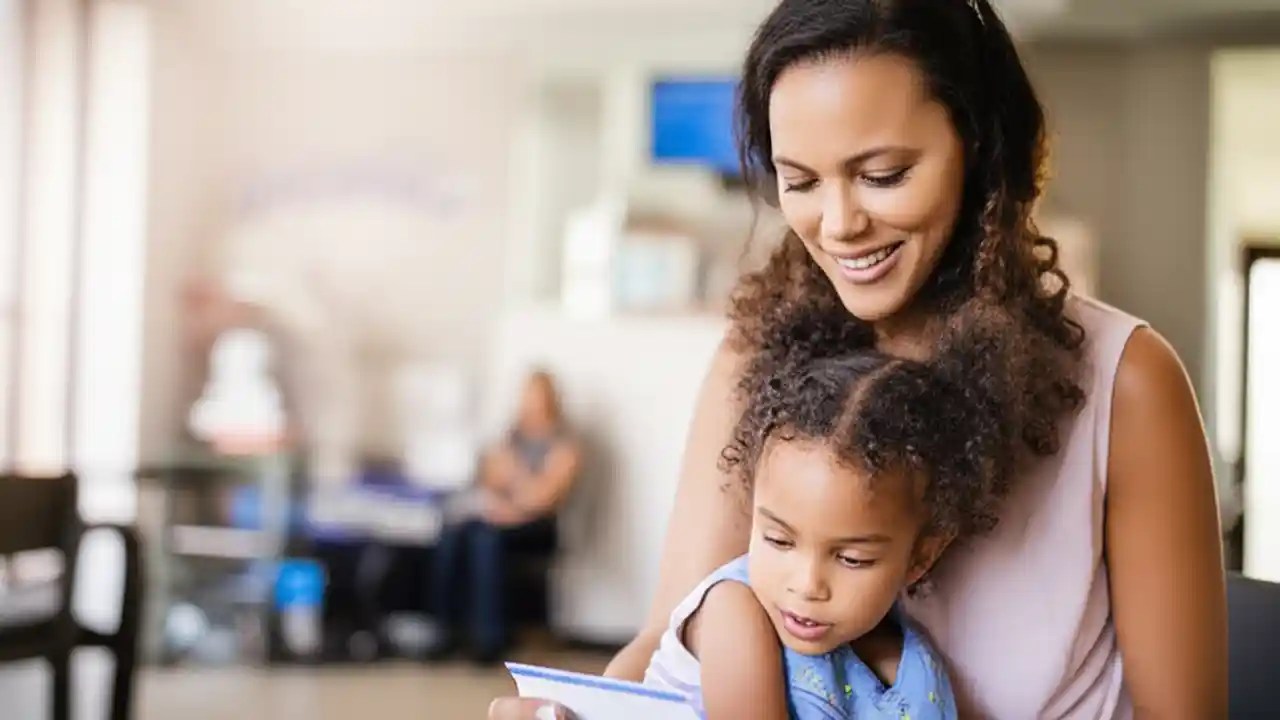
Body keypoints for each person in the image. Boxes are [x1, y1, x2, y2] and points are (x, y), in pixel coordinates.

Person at [492, 0, 1226, 716]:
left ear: (979, 146)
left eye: (882, 175)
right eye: (802, 182)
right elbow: (670, 644)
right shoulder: (752, 363)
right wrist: (582, 712)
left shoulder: (1126, 384)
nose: (839, 225)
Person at [645, 308, 1023, 719]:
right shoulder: (735, 614)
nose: (807, 585)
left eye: (851, 559)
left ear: (920, 557)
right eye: (778, 540)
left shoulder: (917, 672)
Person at [429, 370, 581, 664]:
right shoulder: (511, 436)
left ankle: (489, 638)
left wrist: (514, 478)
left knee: (487, 539)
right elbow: (488, 481)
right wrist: (506, 496)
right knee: (455, 533)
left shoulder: (565, 444)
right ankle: (447, 631)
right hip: (500, 515)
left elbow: (542, 499)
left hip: (538, 527)